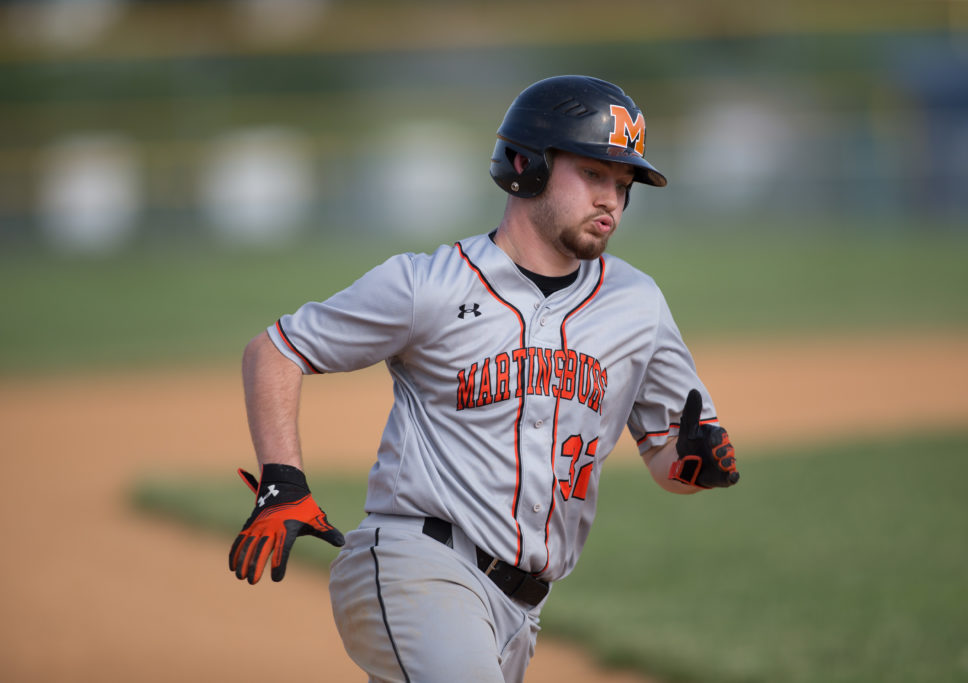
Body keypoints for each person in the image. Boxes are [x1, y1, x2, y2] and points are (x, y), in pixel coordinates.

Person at [229, 75, 739, 682]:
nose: (611, 200)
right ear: (528, 165)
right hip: (413, 565)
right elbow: (277, 350)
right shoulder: (431, 285)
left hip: (518, 611)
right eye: (595, 174)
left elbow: (667, 458)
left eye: (624, 185)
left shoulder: (638, 305)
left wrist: (692, 466)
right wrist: (283, 482)